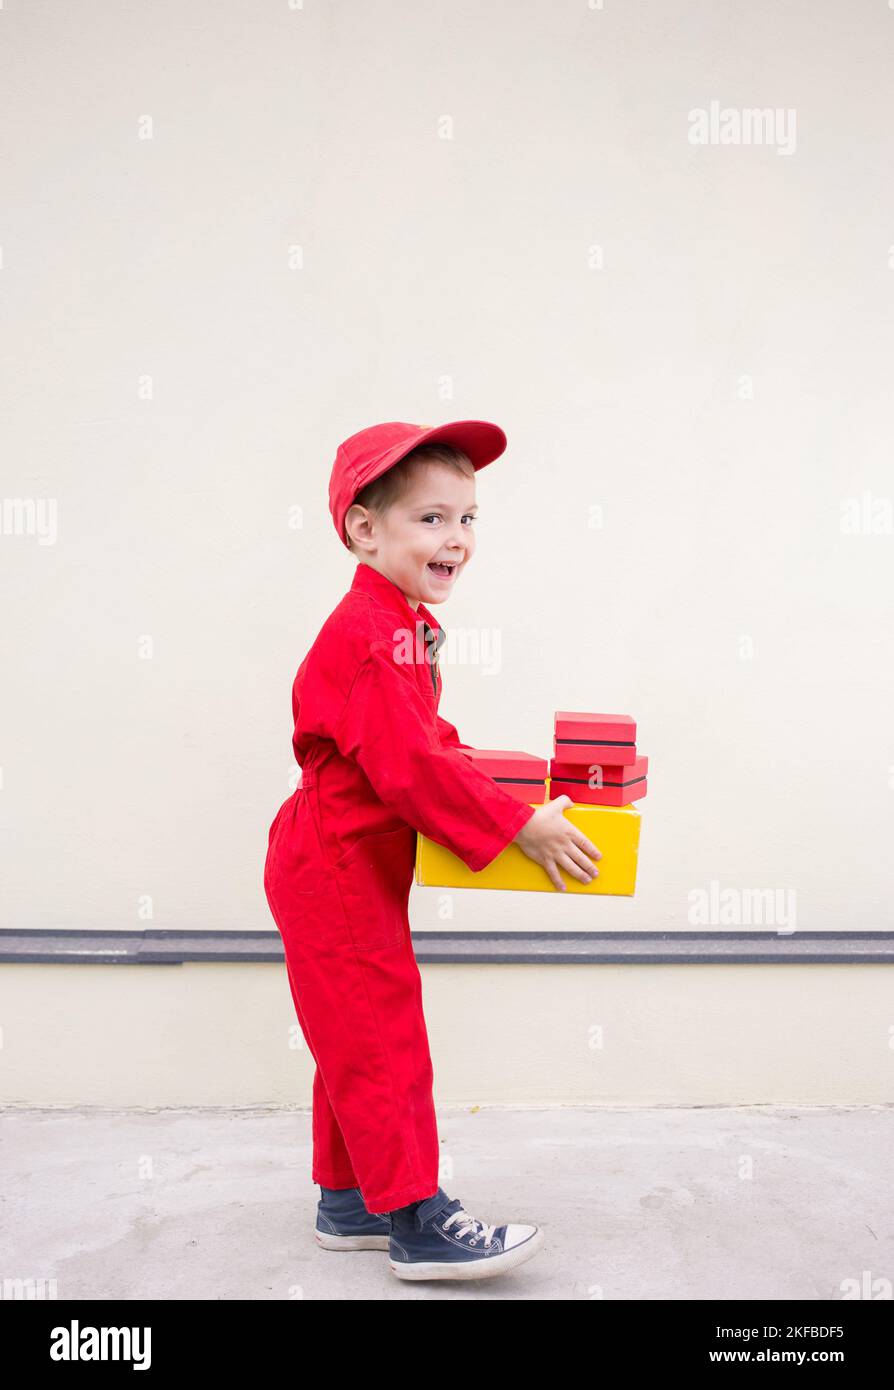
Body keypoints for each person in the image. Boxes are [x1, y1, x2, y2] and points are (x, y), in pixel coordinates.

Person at [263, 419, 601, 1282]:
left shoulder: (397, 621)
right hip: (334, 866)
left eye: (468, 519)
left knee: (355, 1030)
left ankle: (348, 1200)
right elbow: (411, 767)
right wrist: (520, 824)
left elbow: (427, 739)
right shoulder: (374, 637)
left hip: (348, 862)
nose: (456, 539)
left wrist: (506, 783)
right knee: (382, 1039)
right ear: (364, 530)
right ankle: (417, 1218)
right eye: (431, 519)